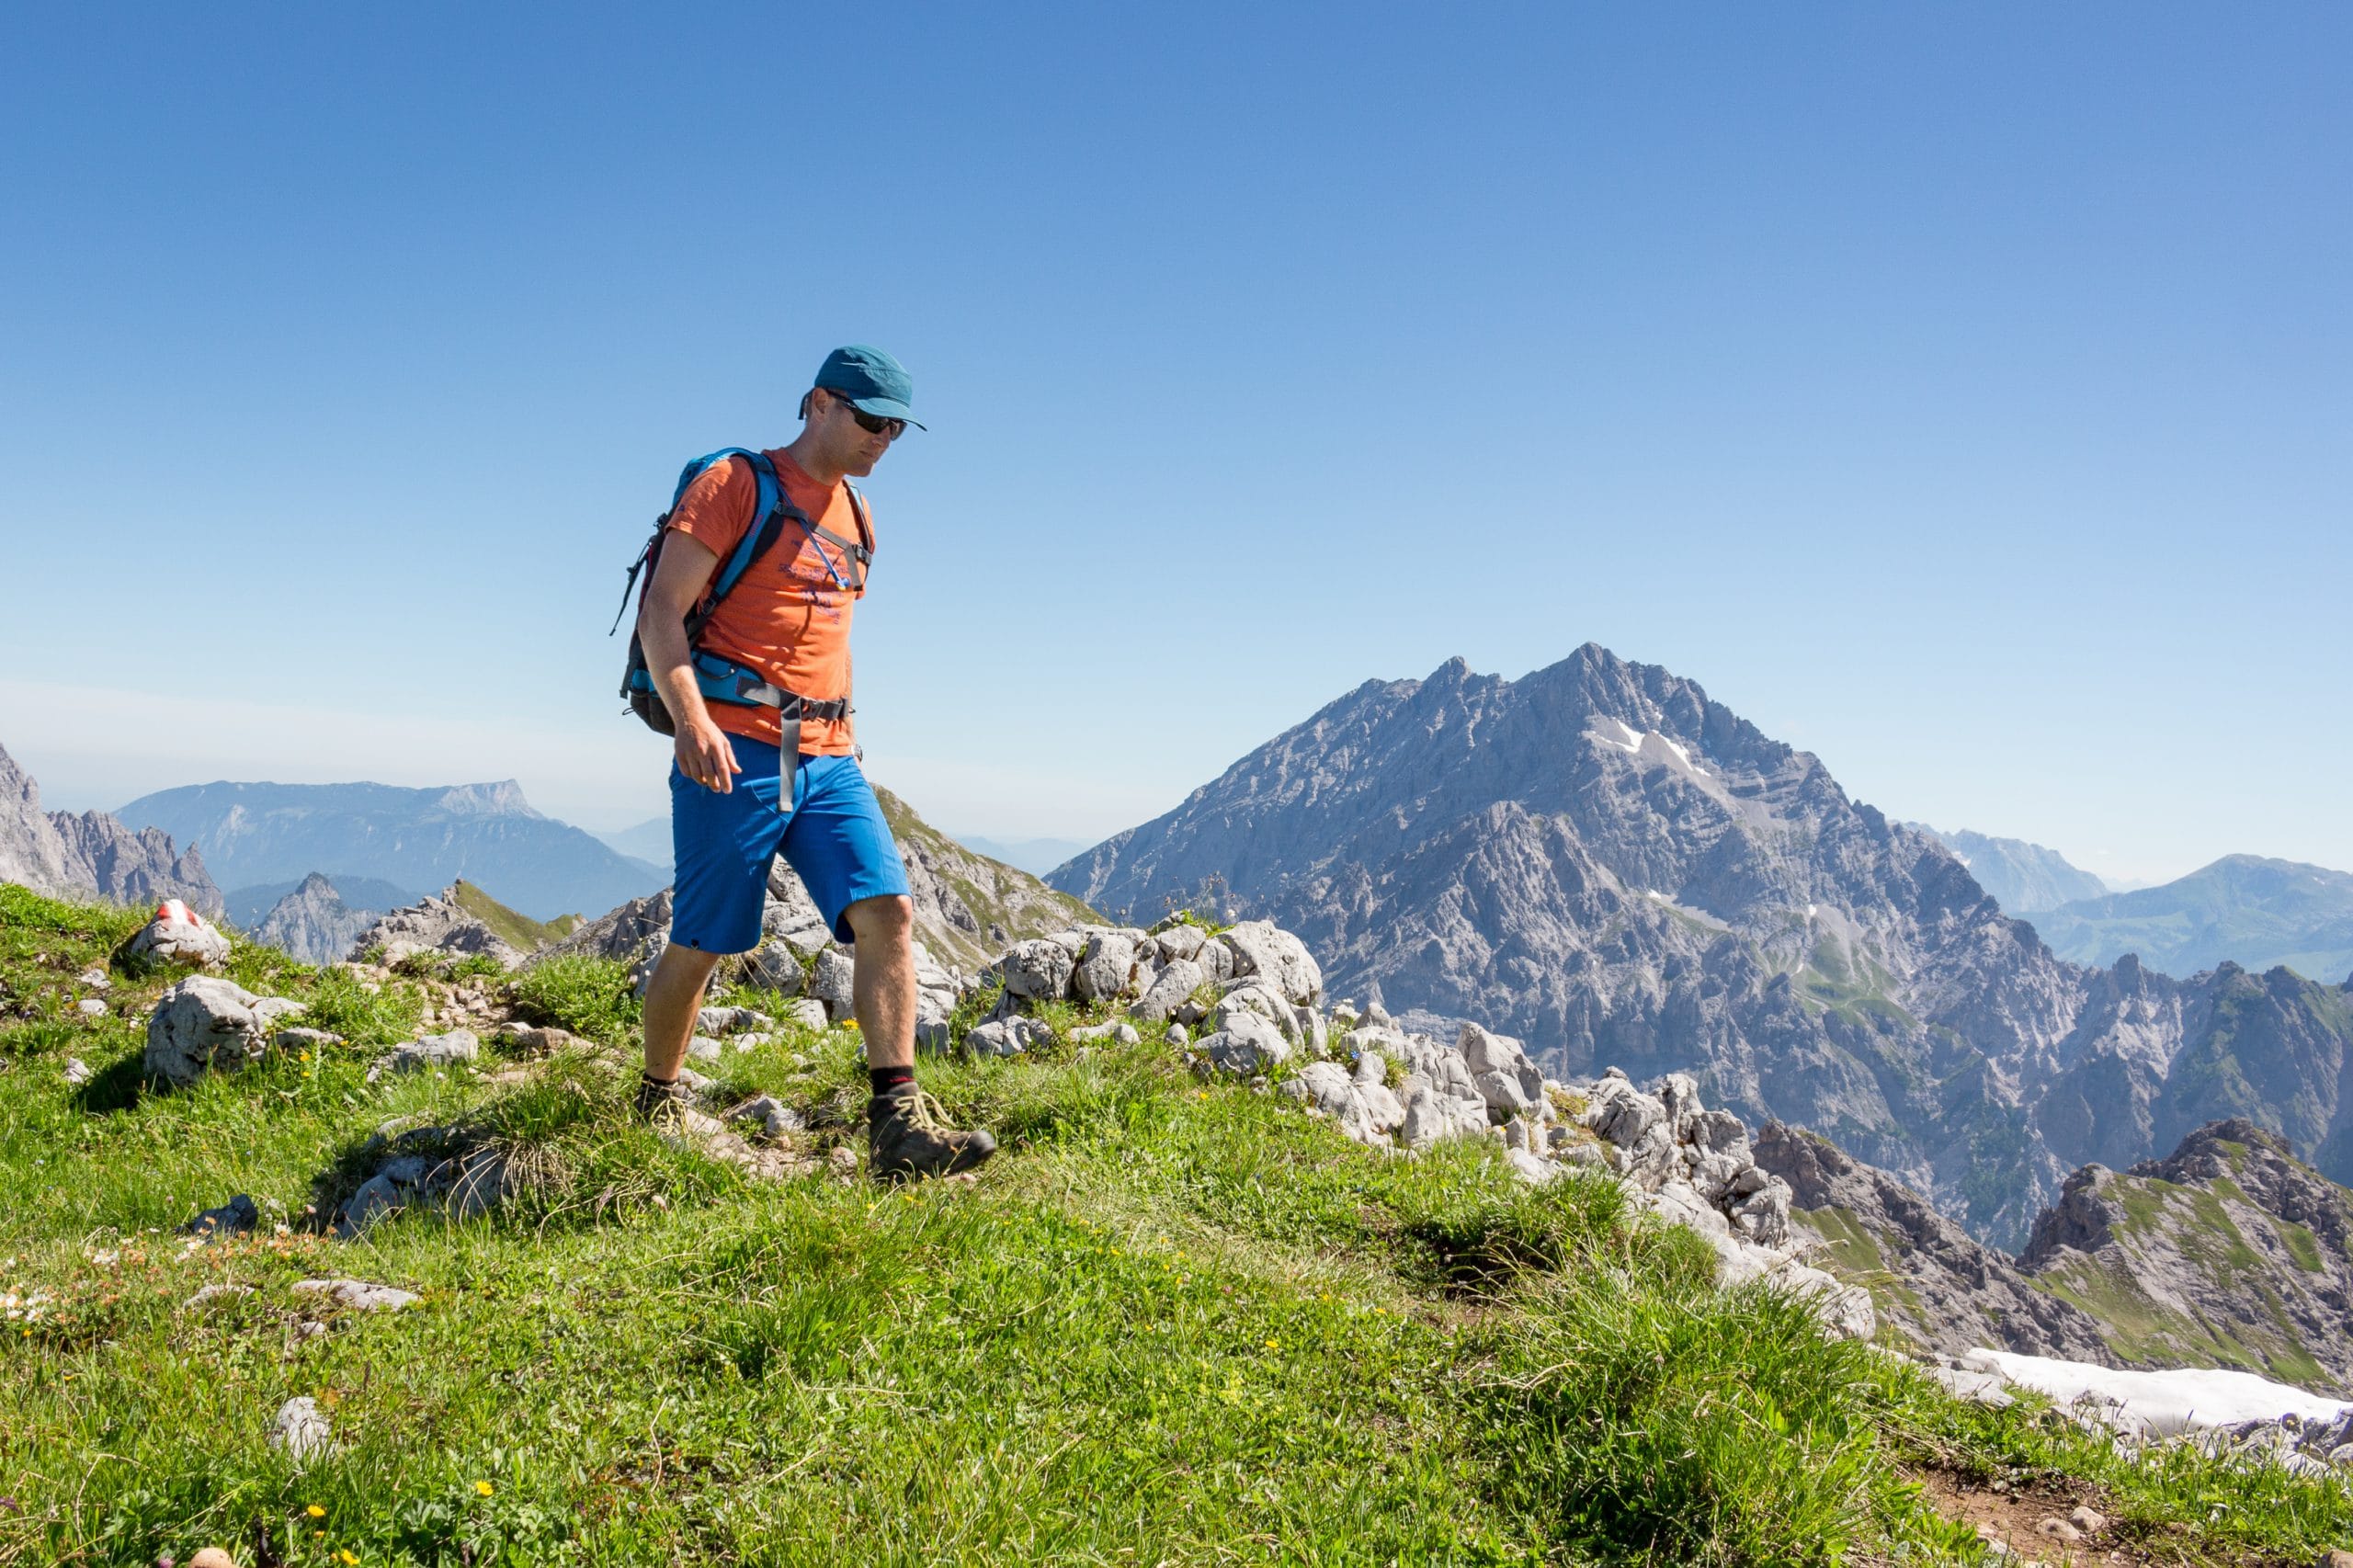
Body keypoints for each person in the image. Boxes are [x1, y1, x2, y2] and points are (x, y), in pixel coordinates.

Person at [631, 345, 995, 1180]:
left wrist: (845, 727)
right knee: (706, 938)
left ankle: (897, 1126)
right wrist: (691, 721)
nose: (884, 439)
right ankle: (655, 1098)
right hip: (734, 745)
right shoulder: (734, 485)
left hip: (826, 754)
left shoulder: (858, 515)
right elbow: (662, 612)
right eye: (872, 420)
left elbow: (828, 634)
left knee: (889, 912)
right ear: (820, 403)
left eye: (898, 428)